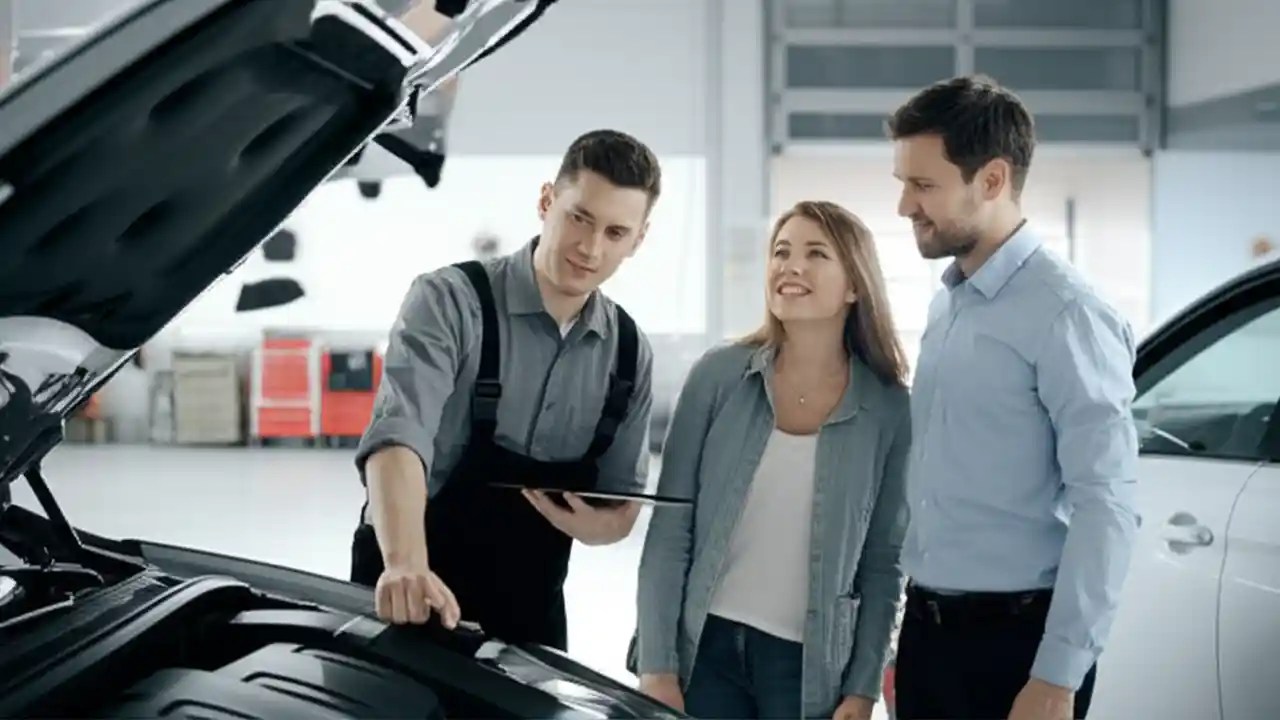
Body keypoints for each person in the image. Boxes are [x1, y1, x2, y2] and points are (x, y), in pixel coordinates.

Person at [887, 75, 1140, 720]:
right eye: (903, 183)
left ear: (992, 179)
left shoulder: (1068, 313)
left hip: (1016, 648)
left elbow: (1107, 505)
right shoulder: (949, 302)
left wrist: (1057, 676)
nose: (905, 205)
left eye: (923, 185)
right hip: (928, 635)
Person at [348, 129, 660, 652]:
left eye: (615, 232)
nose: (590, 248)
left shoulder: (629, 354)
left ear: (638, 240)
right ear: (547, 201)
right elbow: (399, 437)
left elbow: (621, 506)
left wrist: (591, 526)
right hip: (409, 586)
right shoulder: (449, 301)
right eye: (579, 218)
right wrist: (405, 563)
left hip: (530, 614)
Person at [635, 200, 913, 720]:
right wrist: (657, 666)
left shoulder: (891, 409)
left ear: (855, 286)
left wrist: (863, 688)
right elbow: (670, 528)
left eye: (816, 254)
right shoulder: (718, 376)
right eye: (781, 252)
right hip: (704, 653)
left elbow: (884, 561)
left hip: (808, 668)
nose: (791, 266)